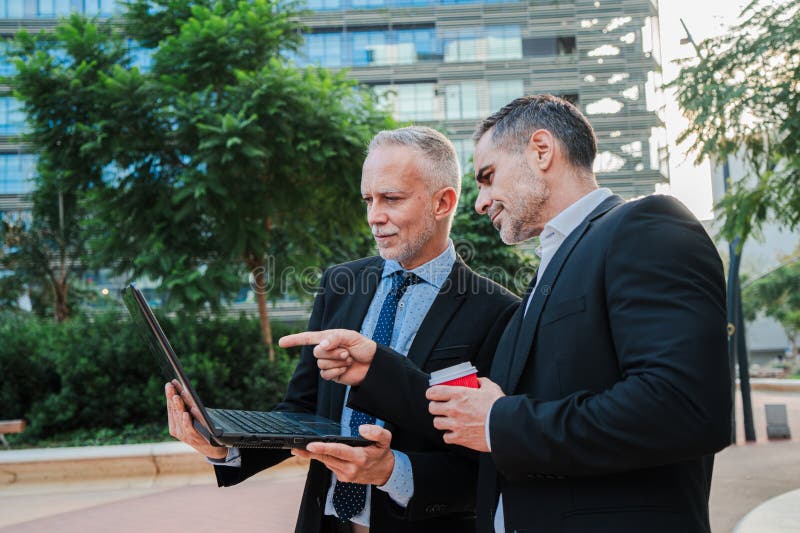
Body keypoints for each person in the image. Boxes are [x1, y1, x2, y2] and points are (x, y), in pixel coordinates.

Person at [282, 95, 732, 533]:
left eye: (488, 176)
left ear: (541, 151)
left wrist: (498, 423)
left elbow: (685, 408)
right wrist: (376, 369)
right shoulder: (550, 271)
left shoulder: (647, 225)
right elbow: (478, 411)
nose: (481, 202)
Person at [166, 125, 519, 533]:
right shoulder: (340, 284)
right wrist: (223, 444)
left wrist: (391, 472)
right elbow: (302, 412)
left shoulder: (497, 312)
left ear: (443, 202)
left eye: (391, 198)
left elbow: (485, 469)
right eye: (368, 200)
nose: (374, 217)